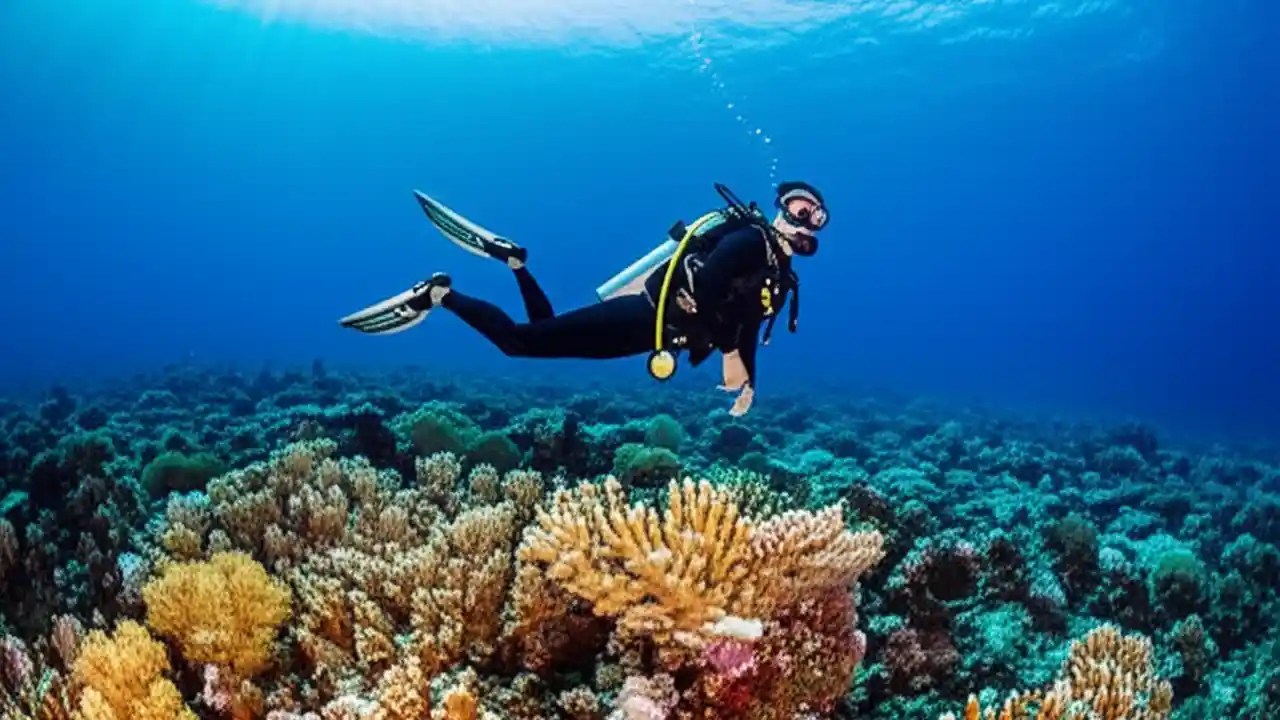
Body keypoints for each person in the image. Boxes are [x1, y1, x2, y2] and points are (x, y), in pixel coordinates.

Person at [340, 182, 829, 416]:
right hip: (644, 317)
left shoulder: (780, 278)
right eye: (797, 208)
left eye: (816, 216)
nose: (804, 219)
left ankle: (515, 262)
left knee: (542, 333)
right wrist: (726, 353)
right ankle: (440, 294)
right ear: (779, 208)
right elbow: (708, 284)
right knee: (519, 343)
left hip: (654, 334)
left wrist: (749, 385)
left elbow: (745, 325)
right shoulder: (749, 241)